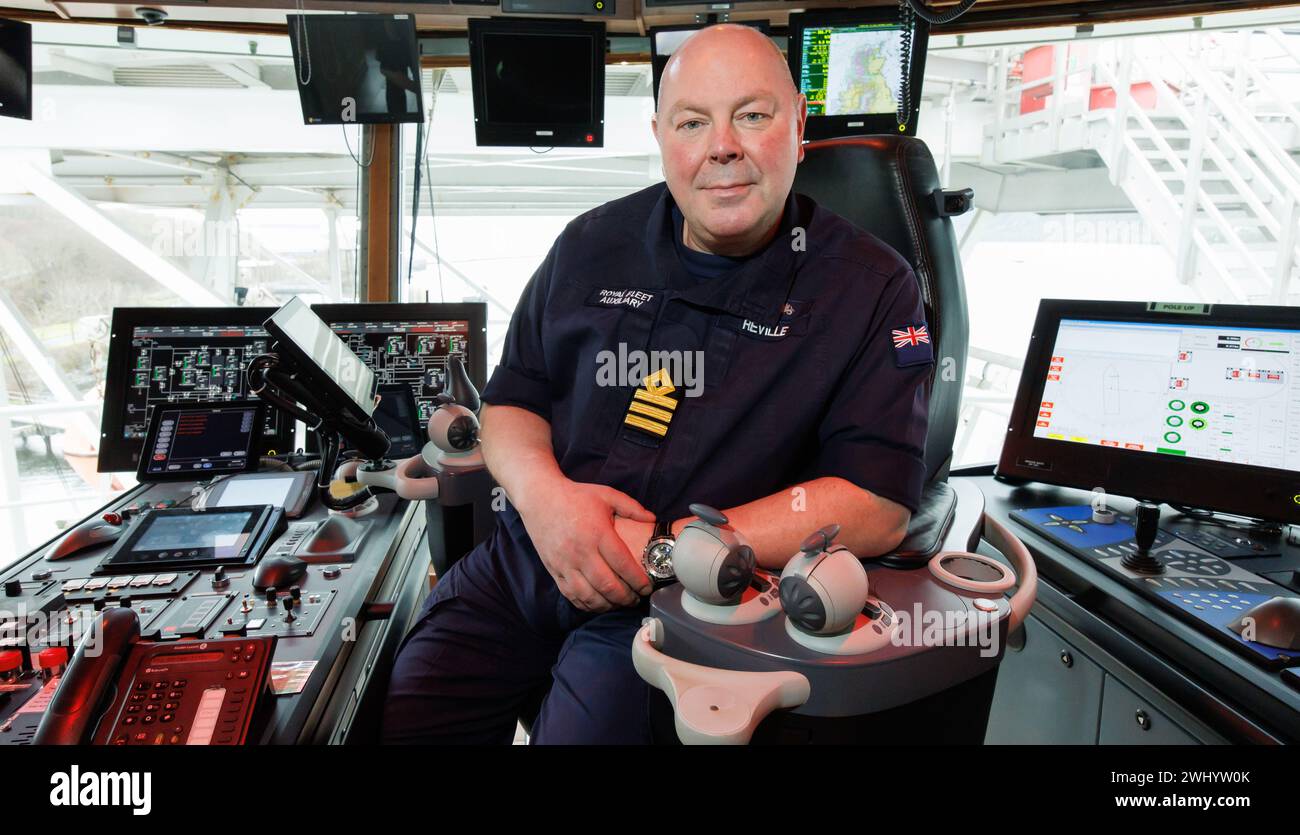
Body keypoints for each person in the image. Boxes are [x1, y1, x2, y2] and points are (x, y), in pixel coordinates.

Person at [380, 23, 934, 744]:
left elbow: (877, 501)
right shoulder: (589, 244)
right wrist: (547, 505)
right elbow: (513, 402)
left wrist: (668, 549)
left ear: (798, 124)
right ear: (662, 136)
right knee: (408, 706)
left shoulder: (871, 286)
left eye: (753, 115)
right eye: (693, 121)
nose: (723, 145)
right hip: (532, 555)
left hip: (689, 597)